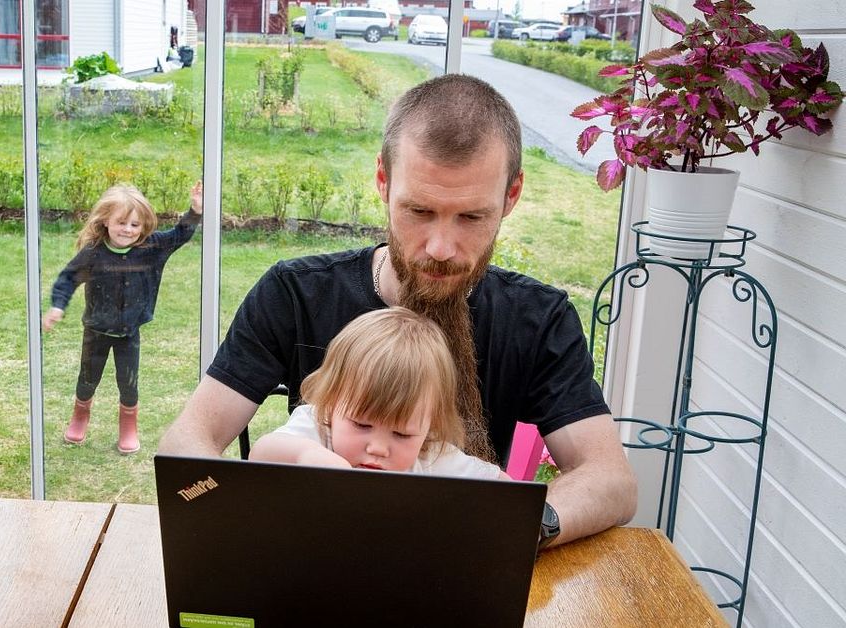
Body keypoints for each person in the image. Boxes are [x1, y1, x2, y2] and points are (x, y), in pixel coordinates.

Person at [159, 74, 636, 547]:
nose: (441, 247)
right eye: (419, 211)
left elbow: (611, 479)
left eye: (471, 217)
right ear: (383, 181)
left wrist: (523, 528)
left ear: (511, 196)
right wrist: (235, 522)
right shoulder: (294, 294)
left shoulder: (538, 319)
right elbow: (188, 443)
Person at [250, 307, 509, 479]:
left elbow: (505, 488)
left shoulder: (429, 456)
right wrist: (304, 454)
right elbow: (261, 452)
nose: (378, 448)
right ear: (332, 401)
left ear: (431, 425)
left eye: (401, 434)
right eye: (362, 424)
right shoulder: (317, 427)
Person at [43, 181, 203, 454]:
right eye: (121, 223)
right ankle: (79, 417)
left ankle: (128, 426)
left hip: (129, 332)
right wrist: (58, 306)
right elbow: (67, 279)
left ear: (143, 227)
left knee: (128, 382)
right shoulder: (93, 253)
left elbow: (180, 234)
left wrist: (195, 211)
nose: (128, 230)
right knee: (87, 379)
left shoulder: (151, 248)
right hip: (96, 331)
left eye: (134, 225)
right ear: (105, 220)